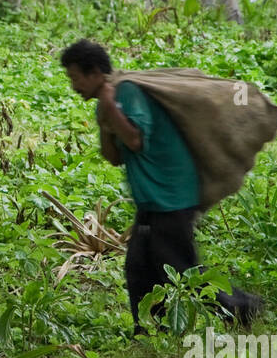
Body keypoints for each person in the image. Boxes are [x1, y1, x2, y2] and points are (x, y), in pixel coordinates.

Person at [60, 39, 259, 337]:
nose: (74, 86)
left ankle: (241, 307)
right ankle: (151, 330)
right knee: (140, 268)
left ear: (94, 73)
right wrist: (105, 118)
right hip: (153, 200)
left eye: (75, 78)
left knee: (181, 268)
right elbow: (113, 157)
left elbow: (136, 140)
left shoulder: (127, 92)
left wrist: (110, 107)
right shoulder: (111, 100)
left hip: (172, 197)